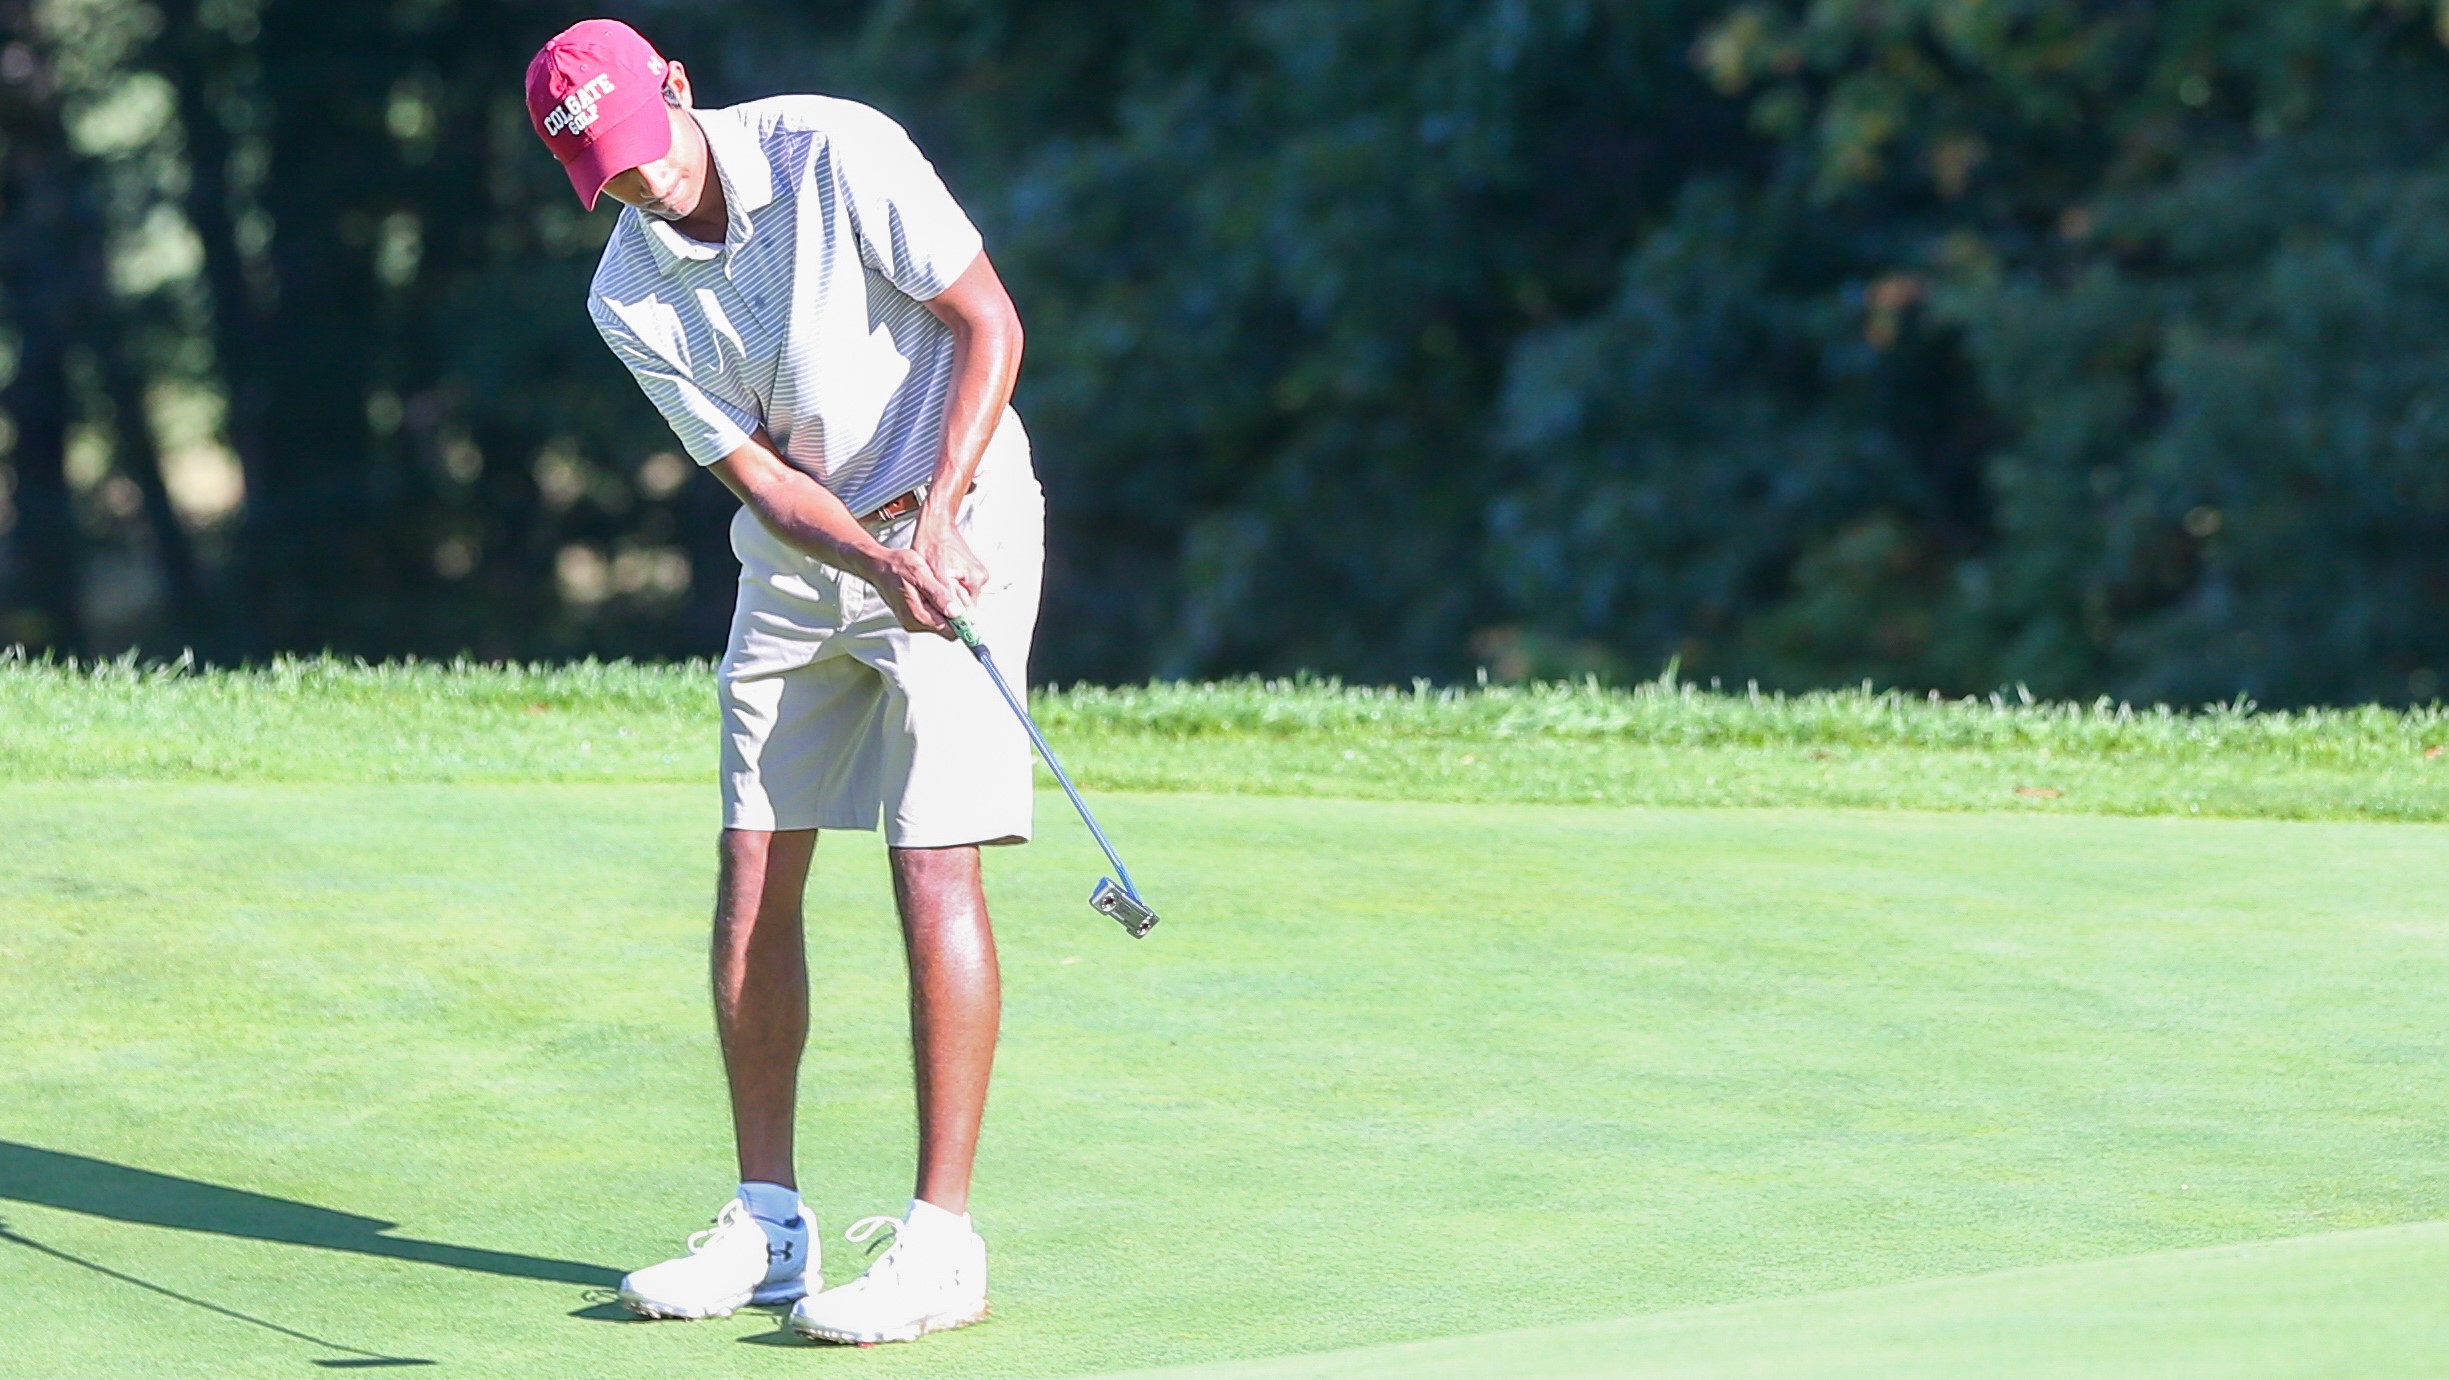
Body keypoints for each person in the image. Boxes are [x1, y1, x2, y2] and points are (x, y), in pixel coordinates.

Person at [523, 18, 1039, 1346]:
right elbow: (758, 477)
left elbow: (986, 322)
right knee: (753, 861)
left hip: (962, 516)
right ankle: (767, 1225)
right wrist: (872, 559)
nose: (643, 187)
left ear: (678, 90)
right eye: (610, 178)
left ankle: (941, 1247)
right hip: (811, 557)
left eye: (645, 151)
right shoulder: (623, 294)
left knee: (931, 860)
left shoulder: (836, 149)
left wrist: (932, 526)